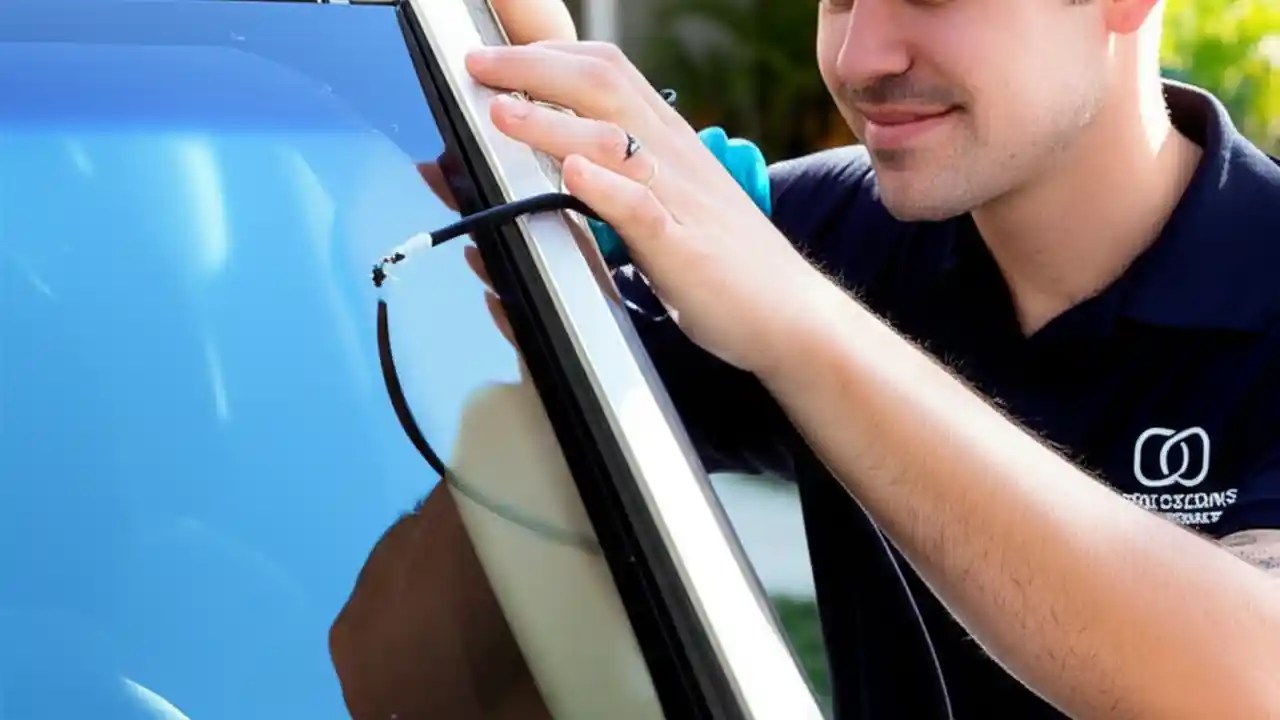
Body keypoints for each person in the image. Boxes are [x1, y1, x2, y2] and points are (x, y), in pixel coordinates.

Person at [331, 0, 1280, 718]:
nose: (858, 56)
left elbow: (1246, 683)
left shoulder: (793, 276)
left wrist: (801, 326)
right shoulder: (822, 234)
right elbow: (382, 669)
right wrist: (542, 291)